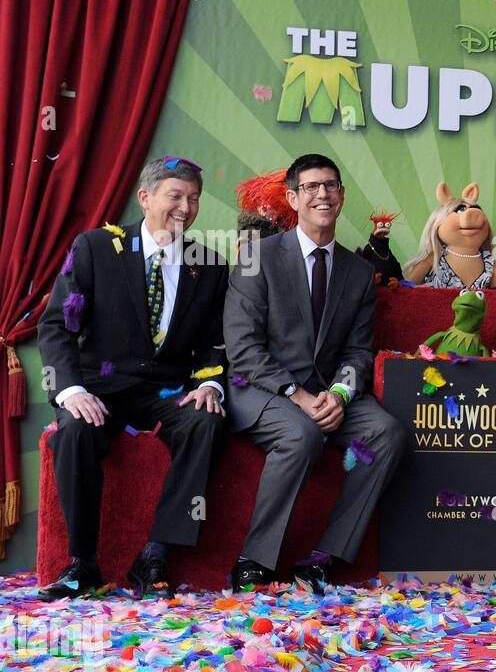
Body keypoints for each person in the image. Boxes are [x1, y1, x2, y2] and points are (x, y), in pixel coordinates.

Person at [37, 156, 228, 600]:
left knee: (208, 421)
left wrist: (209, 384)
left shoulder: (212, 265)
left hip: (168, 390)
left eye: (194, 199)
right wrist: (70, 390)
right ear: (145, 198)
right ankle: (82, 562)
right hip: (99, 388)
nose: (186, 207)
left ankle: (155, 555)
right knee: (74, 432)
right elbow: (55, 326)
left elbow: (216, 343)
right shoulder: (94, 248)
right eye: (175, 196)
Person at [224, 153, 409, 593]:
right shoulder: (257, 257)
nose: (322, 194)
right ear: (293, 197)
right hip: (262, 388)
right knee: (301, 434)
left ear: (341, 196)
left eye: (330, 186)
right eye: (311, 187)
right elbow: (243, 349)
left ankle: (325, 557)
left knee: (387, 432)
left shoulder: (360, 272)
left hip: (327, 392)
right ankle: (254, 558)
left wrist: (342, 395)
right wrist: (297, 395)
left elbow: (358, 350)